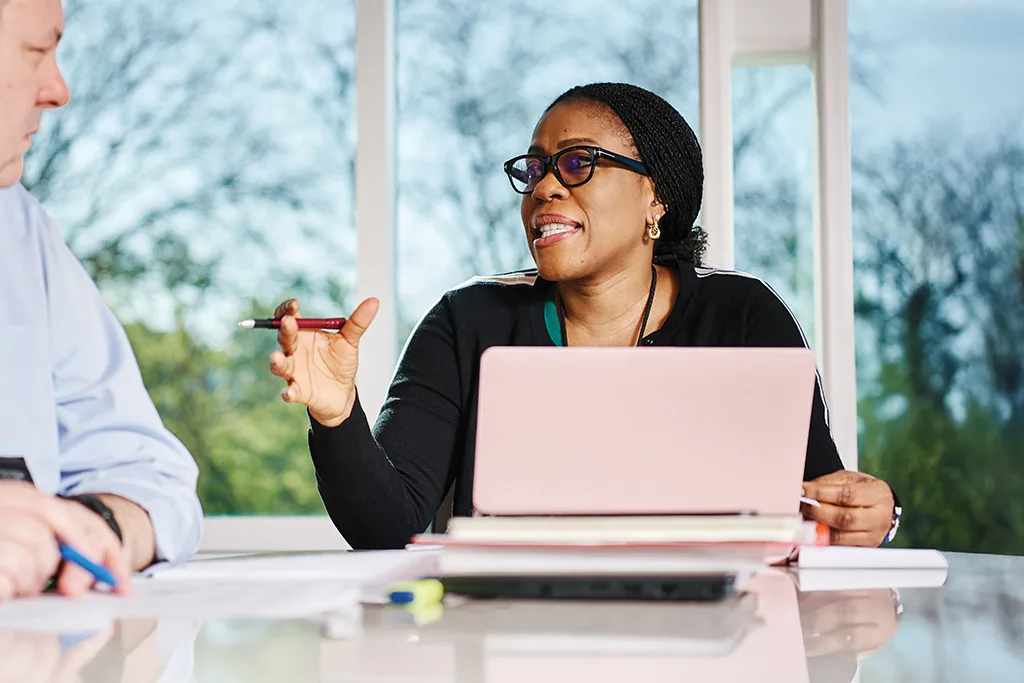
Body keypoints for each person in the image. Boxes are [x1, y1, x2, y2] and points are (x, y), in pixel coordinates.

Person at [269, 82, 900, 550]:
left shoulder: (744, 318)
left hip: (712, 634)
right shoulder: (467, 321)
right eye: (535, 169)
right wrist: (336, 414)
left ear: (657, 197)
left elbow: (820, 507)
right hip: (509, 634)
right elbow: (386, 529)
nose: (545, 187)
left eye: (578, 162)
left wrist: (873, 516)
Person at [0, 0, 202, 602]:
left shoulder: (22, 232)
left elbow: (151, 475)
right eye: (36, 51)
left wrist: (92, 526)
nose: (58, 91)